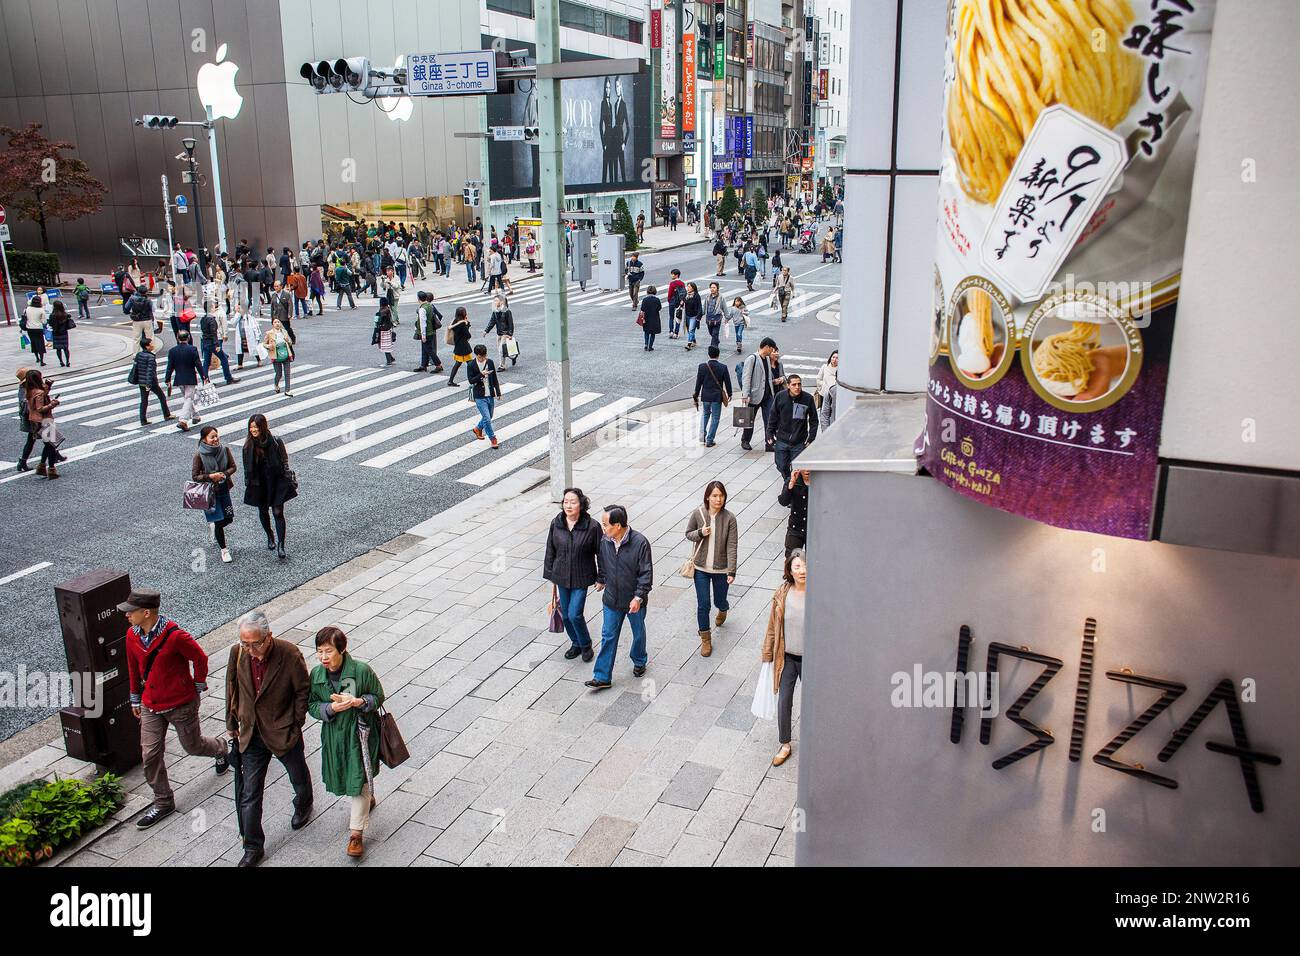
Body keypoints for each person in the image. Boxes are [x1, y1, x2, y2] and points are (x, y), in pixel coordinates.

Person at [122, 588, 229, 830]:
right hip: (150, 704)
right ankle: (163, 801)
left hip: (181, 703)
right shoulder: (131, 636)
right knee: (150, 755)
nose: (127, 616)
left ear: (146, 612)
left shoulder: (175, 636)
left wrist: (199, 683)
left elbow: (200, 658)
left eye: (131, 612)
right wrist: (134, 698)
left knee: (192, 746)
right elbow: (132, 666)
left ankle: (221, 748)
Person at [224, 610, 312, 867]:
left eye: (255, 643)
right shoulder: (237, 652)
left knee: (298, 774)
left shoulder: (289, 653)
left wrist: (296, 725)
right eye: (245, 643)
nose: (250, 649)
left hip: (283, 730)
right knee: (250, 793)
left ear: (269, 637)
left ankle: (304, 803)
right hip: (251, 733)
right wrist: (231, 723)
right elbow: (232, 686)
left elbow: (302, 691)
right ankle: (252, 847)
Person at [304, 626, 385, 859]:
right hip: (334, 736)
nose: (323, 657)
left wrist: (358, 702)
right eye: (319, 652)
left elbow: (378, 696)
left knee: (358, 777)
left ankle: (356, 835)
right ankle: (367, 799)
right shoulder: (317, 676)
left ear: (342, 649)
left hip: (360, 734)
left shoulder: (361, 671)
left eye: (328, 651)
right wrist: (329, 708)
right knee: (346, 775)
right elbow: (310, 705)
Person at [586, 505, 653, 690]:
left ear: (617, 525)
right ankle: (602, 676)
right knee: (608, 636)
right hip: (611, 599)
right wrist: (601, 579)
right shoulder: (605, 540)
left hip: (634, 602)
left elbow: (646, 574)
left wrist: (638, 597)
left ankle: (639, 660)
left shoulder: (640, 543)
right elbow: (603, 562)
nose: (603, 528)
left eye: (606, 524)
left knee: (638, 633)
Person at [544, 487, 603, 663]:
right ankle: (576, 643)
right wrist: (550, 574)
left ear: (581, 504)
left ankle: (585, 644)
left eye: (573, 502)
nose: (568, 505)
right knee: (567, 615)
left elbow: (601, 552)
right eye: (566, 502)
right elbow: (550, 549)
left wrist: (602, 577)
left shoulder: (592, 526)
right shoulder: (557, 523)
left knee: (575, 614)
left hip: (582, 576)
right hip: (561, 576)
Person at [762, 549, 808, 766]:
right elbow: (772, 626)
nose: (802, 571)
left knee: (813, 702)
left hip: (811, 659)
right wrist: (767, 653)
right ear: (789, 570)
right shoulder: (782, 593)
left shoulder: (818, 594)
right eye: (797, 567)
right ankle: (785, 744)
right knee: (784, 700)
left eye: (805, 566)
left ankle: (815, 740)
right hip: (788, 657)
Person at [685, 481, 739, 658]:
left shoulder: (729, 518)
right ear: (707, 496)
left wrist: (731, 571)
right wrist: (700, 532)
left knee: (719, 600)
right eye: (715, 495)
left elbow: (732, 546)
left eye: (721, 496)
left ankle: (723, 609)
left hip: (721, 569)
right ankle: (705, 638)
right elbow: (688, 534)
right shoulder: (698, 513)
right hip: (700, 568)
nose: (718, 499)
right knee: (703, 604)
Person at [243, 413, 296, 560]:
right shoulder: (248, 445)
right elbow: (247, 468)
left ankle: (281, 545)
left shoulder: (275, 441)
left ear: (263, 426)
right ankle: (269, 535)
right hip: (259, 483)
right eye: (251, 427)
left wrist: (287, 477)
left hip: (276, 480)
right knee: (263, 511)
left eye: (256, 427)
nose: (253, 430)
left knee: (278, 512)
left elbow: (284, 460)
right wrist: (249, 484)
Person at [194, 425, 237, 562]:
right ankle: (224, 550)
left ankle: (215, 528)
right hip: (209, 493)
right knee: (219, 521)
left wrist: (223, 474)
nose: (215, 439)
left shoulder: (224, 450)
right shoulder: (199, 455)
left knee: (228, 518)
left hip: (224, 490)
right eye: (212, 437)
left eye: (216, 436)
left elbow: (233, 467)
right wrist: (211, 477)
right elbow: (195, 477)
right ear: (204, 439)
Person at [739, 338, 785, 451]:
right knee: (749, 419)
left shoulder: (767, 359)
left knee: (769, 420)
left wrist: (773, 393)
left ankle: (769, 443)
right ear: (767, 347)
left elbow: (769, 377)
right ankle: (745, 440)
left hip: (767, 396)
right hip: (754, 395)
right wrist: (746, 394)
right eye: (772, 349)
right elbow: (746, 377)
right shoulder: (752, 358)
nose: (772, 351)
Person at [771, 373, 818, 479]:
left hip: (799, 441)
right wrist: (770, 433)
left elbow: (814, 420)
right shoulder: (780, 396)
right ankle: (788, 480)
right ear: (788, 385)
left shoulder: (808, 398)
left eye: (799, 384)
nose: (797, 387)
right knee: (781, 466)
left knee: (797, 468)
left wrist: (811, 438)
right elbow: (773, 415)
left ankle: (790, 484)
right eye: (794, 384)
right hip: (782, 439)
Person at [165, 330, 207, 432]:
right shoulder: (192, 349)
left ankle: (196, 416)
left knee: (188, 398)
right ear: (188, 338)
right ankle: (183, 420)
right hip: (190, 377)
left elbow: (170, 366)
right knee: (189, 399)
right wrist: (204, 376)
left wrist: (167, 378)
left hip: (179, 378)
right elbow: (198, 364)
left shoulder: (172, 351)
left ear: (177, 338)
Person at [22, 369, 61, 478]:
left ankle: (42, 466)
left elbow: (41, 396)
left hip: (35, 421)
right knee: (51, 445)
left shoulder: (29, 391)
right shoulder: (38, 393)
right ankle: (51, 469)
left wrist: (48, 386)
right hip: (45, 420)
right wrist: (53, 404)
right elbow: (40, 408)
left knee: (47, 444)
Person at [693, 346, 733, 448]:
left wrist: (696, 395)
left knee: (705, 415)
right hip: (716, 396)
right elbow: (727, 382)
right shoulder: (723, 367)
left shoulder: (702, 366)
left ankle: (702, 436)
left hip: (705, 395)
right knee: (715, 417)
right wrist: (730, 393)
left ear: (708, 355)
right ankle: (710, 439)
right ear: (718, 355)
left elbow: (699, 382)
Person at [128, 339, 173, 426]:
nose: (153, 345)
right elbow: (150, 371)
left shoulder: (139, 355)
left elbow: (136, 368)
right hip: (151, 382)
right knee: (162, 397)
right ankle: (167, 415)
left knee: (144, 401)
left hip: (141, 382)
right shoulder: (151, 357)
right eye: (151, 344)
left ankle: (143, 419)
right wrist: (148, 384)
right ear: (147, 346)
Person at [466, 344, 502, 450]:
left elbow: (494, 377)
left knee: (489, 417)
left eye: (485, 356)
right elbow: (471, 380)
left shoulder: (489, 362)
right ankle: (493, 439)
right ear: (477, 355)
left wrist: (498, 392)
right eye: (481, 357)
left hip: (489, 394)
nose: (483, 358)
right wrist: (481, 374)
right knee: (487, 418)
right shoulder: (471, 365)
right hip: (479, 396)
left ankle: (478, 428)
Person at [199, 311, 239, 385]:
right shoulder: (212, 320)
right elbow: (214, 333)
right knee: (224, 358)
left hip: (205, 342)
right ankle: (228, 378)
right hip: (212, 343)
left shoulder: (203, 319)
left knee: (206, 362)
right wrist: (217, 345)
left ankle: (205, 381)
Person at [778, 470, 810, 556]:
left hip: (813, 529)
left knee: (814, 561)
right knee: (791, 559)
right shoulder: (794, 480)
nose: (807, 469)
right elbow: (783, 501)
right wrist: (791, 485)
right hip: (796, 527)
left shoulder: (821, 482)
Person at [413, 291, 445, 373]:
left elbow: (423, 322)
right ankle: (423, 365)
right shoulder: (429, 306)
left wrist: (423, 335)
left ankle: (439, 365)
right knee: (425, 349)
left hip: (426, 332)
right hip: (431, 331)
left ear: (418, 298)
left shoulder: (422, 309)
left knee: (429, 350)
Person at [262, 317, 295, 396]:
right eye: (275, 322)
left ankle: (287, 390)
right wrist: (268, 346)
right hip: (276, 355)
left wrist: (288, 340)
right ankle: (276, 385)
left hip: (286, 354)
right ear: (273, 324)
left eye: (278, 322)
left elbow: (290, 343)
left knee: (287, 373)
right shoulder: (269, 333)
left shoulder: (284, 332)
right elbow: (264, 343)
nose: (277, 323)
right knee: (279, 374)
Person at [445, 306, 473, 387]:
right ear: (464, 314)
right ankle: (474, 379)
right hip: (464, 347)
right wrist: (467, 324)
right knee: (470, 364)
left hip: (458, 346)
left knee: (459, 364)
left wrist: (466, 323)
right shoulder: (462, 324)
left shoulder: (454, 322)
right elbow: (468, 335)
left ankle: (451, 381)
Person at [233, 302, 263, 370]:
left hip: (249, 336)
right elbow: (233, 322)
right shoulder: (238, 316)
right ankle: (240, 364)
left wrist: (257, 336)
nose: (238, 309)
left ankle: (259, 360)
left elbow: (255, 326)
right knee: (240, 349)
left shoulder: (249, 316)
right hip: (241, 335)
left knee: (254, 348)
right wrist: (238, 314)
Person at [816, 349, 839, 428]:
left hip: (834, 393)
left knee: (832, 412)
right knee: (824, 413)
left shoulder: (840, 370)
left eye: (837, 358)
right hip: (825, 393)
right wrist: (824, 386)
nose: (834, 359)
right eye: (833, 357)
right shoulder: (825, 367)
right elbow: (818, 379)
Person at [48, 300, 74, 367]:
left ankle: (61, 361)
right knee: (66, 348)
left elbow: (50, 323)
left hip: (56, 333)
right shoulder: (65, 314)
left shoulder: (52, 315)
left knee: (58, 349)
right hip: (64, 332)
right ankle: (67, 361)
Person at [703, 282, 726, 350]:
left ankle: (713, 347)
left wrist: (727, 317)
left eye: (714, 287)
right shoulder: (707, 297)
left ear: (717, 288)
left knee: (715, 332)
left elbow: (725, 308)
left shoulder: (721, 298)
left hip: (717, 318)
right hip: (709, 317)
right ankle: (716, 340)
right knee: (711, 332)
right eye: (711, 287)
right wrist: (700, 314)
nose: (712, 289)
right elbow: (704, 307)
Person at [638, 284, 662, 351]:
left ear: (647, 291)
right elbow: (659, 308)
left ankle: (646, 344)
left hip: (646, 318)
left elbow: (642, 308)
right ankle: (650, 346)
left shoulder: (645, 300)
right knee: (653, 333)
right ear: (655, 292)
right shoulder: (657, 300)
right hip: (654, 318)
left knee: (646, 332)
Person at [373, 302, 396, 367]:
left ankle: (389, 361)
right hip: (388, 329)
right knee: (386, 345)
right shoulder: (387, 309)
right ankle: (391, 358)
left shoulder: (383, 311)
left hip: (384, 330)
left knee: (385, 345)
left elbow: (379, 320)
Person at [682, 282, 703, 351]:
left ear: (693, 288)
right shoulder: (686, 295)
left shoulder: (696, 296)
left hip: (694, 316)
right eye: (687, 286)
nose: (688, 288)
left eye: (690, 287)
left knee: (691, 330)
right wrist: (682, 303)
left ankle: (689, 344)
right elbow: (683, 302)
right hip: (687, 315)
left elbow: (700, 306)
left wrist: (698, 317)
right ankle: (694, 341)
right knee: (689, 330)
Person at [666, 269, 686, 339]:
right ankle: (676, 333)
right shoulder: (682, 283)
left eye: (672, 274)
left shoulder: (672, 283)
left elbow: (670, 293)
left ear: (676, 275)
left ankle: (671, 331)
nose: (671, 275)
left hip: (672, 301)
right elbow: (683, 293)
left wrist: (669, 300)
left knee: (671, 317)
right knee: (678, 317)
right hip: (679, 302)